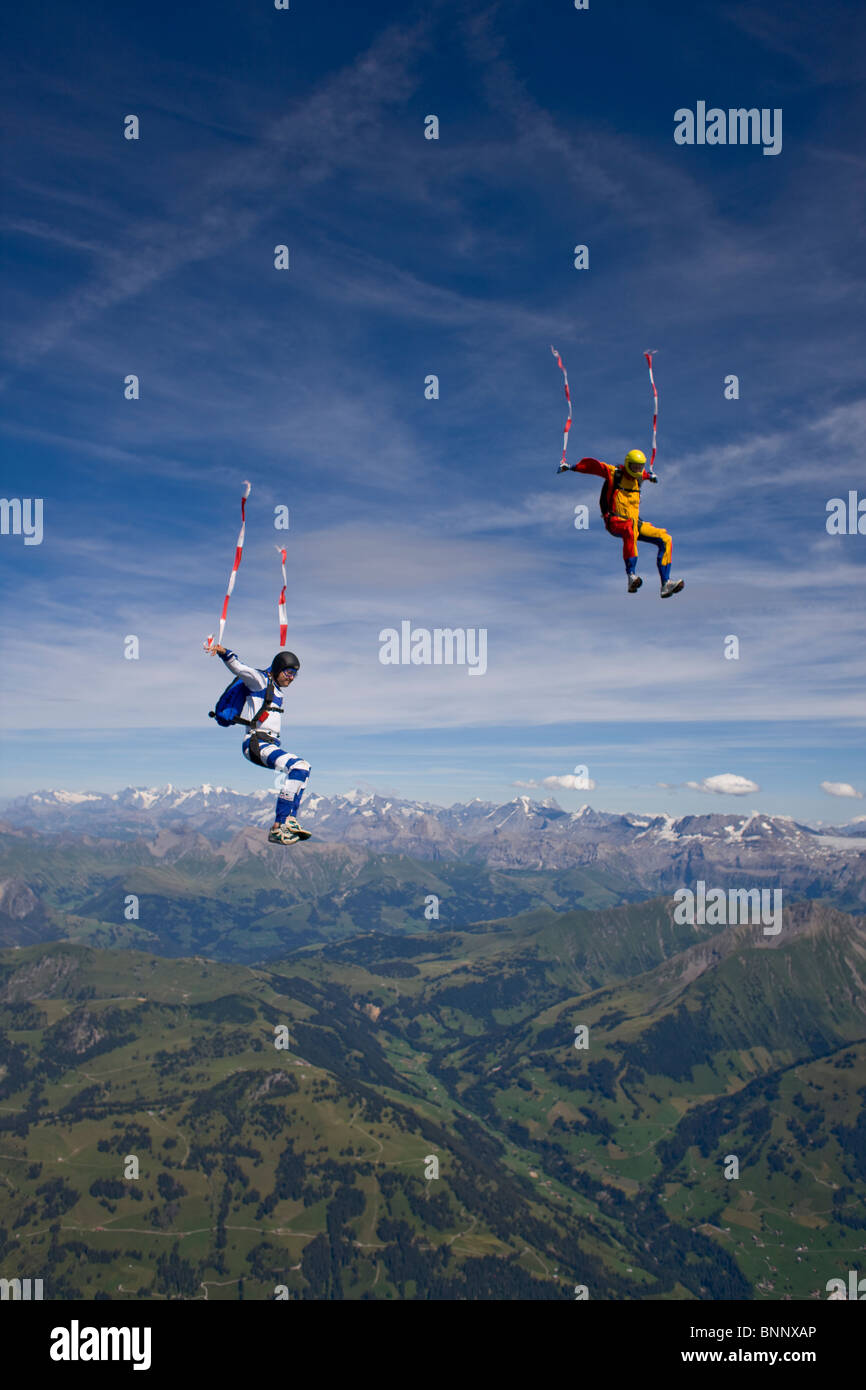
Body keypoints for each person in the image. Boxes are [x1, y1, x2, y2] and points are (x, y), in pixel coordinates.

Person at [211, 645, 312, 844]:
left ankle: (290, 819)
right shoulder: (260, 681)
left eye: (295, 675)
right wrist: (223, 652)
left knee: (304, 768)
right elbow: (239, 668)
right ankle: (279, 825)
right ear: (278, 668)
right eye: (289, 672)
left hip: (269, 743)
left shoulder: (277, 691)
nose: (291, 677)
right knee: (298, 767)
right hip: (256, 742)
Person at [559, 449, 684, 596]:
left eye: (640, 466)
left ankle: (666, 584)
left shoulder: (639, 477)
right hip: (615, 520)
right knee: (630, 529)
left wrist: (650, 477)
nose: (637, 470)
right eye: (634, 466)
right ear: (627, 465)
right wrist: (571, 467)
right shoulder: (615, 473)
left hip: (635, 522)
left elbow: (644, 474)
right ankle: (631, 575)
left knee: (666, 539)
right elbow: (594, 467)